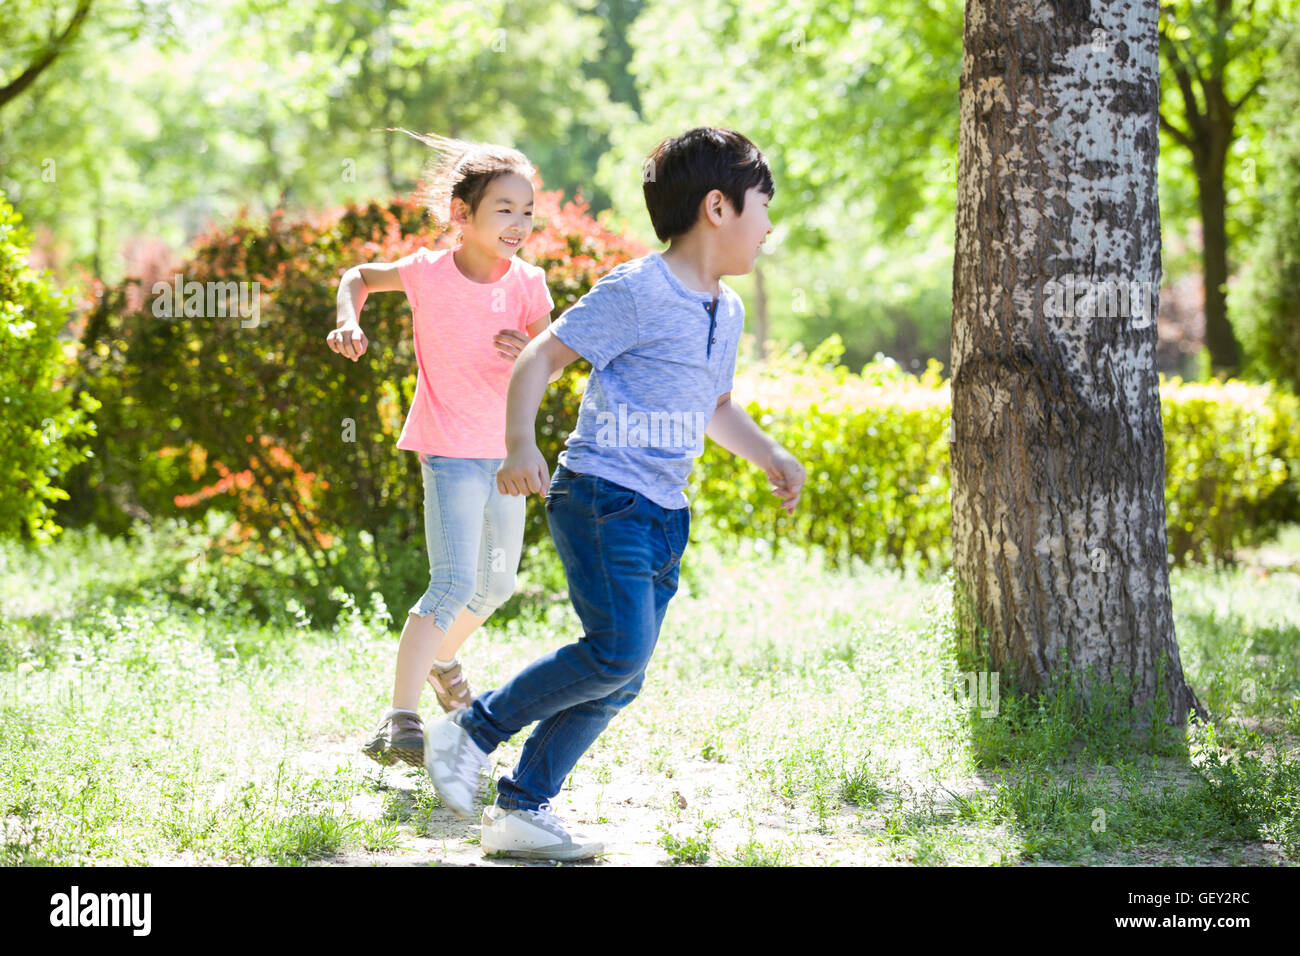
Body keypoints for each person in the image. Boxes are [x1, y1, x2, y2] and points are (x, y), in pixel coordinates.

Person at [423, 127, 807, 861]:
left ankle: (521, 809)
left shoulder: (724, 310)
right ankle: (471, 731)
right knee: (617, 652)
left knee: (619, 678)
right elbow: (542, 355)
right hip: (603, 496)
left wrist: (770, 453)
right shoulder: (639, 289)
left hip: (665, 514)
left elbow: (714, 406)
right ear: (718, 207)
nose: (770, 225)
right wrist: (520, 443)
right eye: (765, 204)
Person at [327, 130, 558, 767]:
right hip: (449, 449)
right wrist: (350, 319)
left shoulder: (528, 283)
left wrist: (533, 357)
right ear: (463, 214)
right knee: (453, 581)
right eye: (504, 210)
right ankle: (400, 718)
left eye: (527, 212)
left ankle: (443, 660)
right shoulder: (427, 273)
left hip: (507, 454)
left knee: (498, 584)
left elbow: (555, 361)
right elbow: (357, 277)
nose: (519, 223)